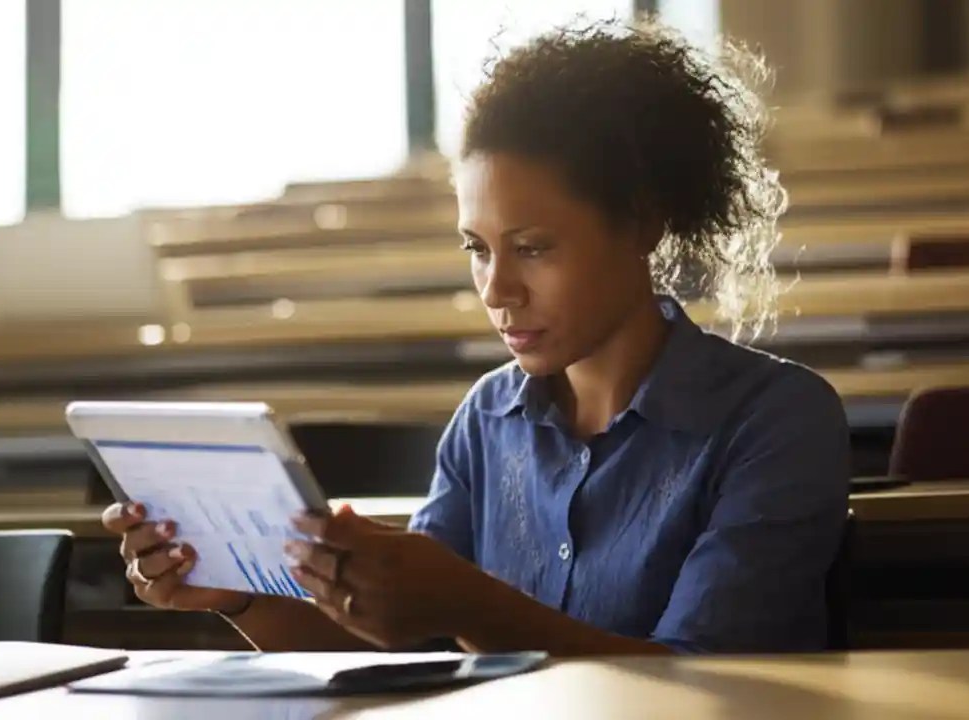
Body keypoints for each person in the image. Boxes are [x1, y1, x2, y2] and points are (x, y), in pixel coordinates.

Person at [102, 19, 849, 656]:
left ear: (643, 223)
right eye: (477, 248)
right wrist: (239, 594)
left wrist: (472, 607)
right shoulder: (488, 420)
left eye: (532, 247)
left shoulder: (777, 418)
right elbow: (394, 651)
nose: (497, 290)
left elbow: (713, 682)